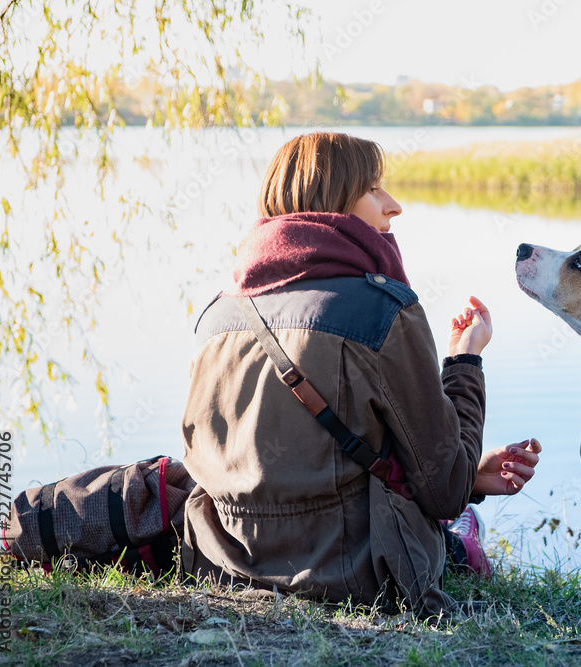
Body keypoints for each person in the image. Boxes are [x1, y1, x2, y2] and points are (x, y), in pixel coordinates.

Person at [180, 132, 541, 616]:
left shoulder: (217, 316)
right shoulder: (382, 310)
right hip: (357, 576)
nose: (394, 206)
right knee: (458, 519)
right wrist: (464, 362)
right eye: (373, 189)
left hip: (223, 563)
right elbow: (447, 490)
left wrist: (471, 476)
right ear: (330, 202)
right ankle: (463, 549)